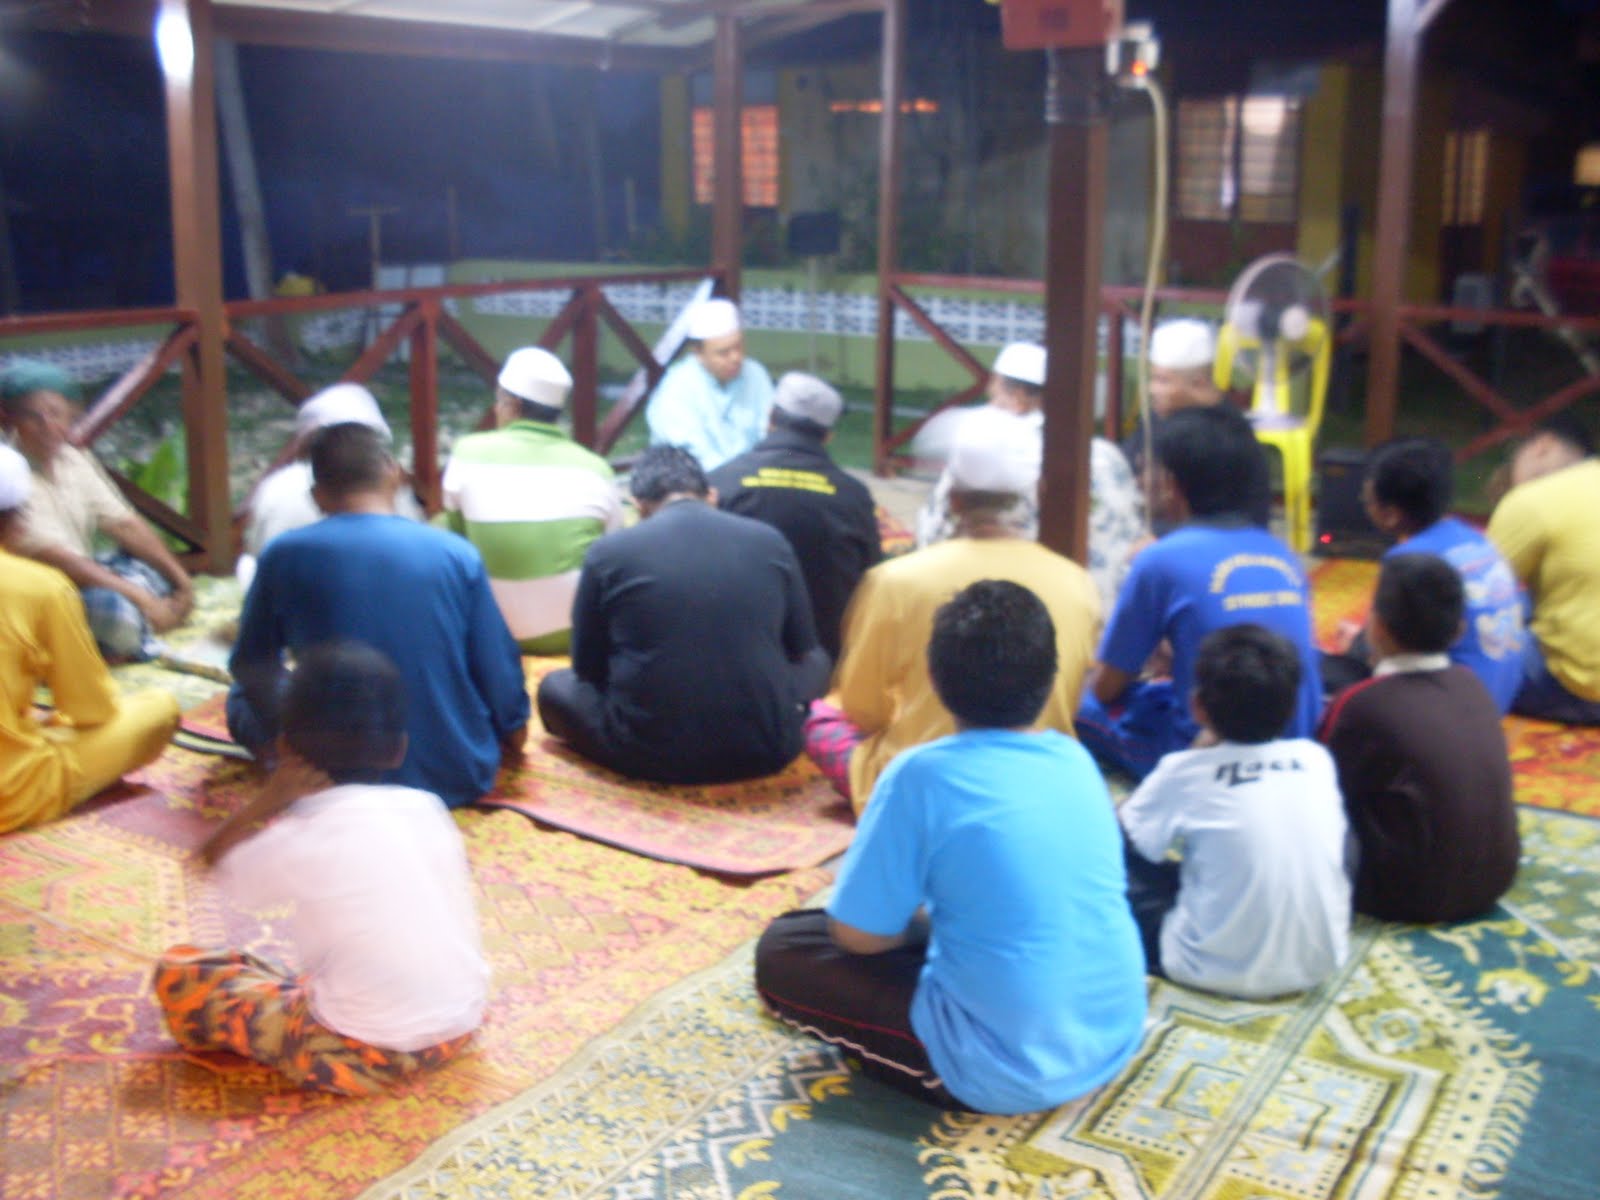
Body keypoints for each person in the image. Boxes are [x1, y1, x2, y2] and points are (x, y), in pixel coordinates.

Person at [756, 581, 1147, 1114]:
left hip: (1000, 1069)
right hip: (1113, 1031)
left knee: (785, 949)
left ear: (935, 680)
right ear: (1054, 676)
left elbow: (858, 938)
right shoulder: (1074, 759)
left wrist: (917, 922)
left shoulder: (920, 775)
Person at [154, 641, 488, 1096]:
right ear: (398, 750)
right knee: (316, 965)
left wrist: (268, 798)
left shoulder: (300, 839)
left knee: (184, 973)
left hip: (358, 1051)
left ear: (285, 748)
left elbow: (208, 862)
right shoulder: (426, 808)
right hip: (460, 1024)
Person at [810, 404, 1103, 811]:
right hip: (1038, 784)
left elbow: (862, 708)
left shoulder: (897, 580)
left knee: (823, 719)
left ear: (953, 499)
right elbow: (1073, 697)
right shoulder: (1076, 581)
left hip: (921, 789)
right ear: (1030, 494)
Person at [227, 423, 529, 808]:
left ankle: (288, 764)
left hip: (330, 775)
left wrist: (293, 744)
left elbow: (251, 664)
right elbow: (498, 668)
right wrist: (514, 730)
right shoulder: (455, 553)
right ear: (394, 473)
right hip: (455, 773)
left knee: (240, 695)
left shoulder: (283, 555)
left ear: (318, 497)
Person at [537, 445, 828, 785]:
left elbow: (586, 668)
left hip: (646, 753)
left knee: (554, 688)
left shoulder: (610, 552)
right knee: (819, 659)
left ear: (640, 507)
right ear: (712, 496)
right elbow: (802, 649)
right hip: (767, 748)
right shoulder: (770, 540)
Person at [1077, 404, 1320, 781]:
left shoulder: (1160, 559)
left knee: (1073, 696)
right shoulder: (1283, 555)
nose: (1142, 481)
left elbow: (1108, 687)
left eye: (1147, 469)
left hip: (1206, 753)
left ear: (1172, 484)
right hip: (1298, 743)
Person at [1120, 624, 1350, 999]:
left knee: (1109, 857)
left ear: (1198, 706)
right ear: (1291, 706)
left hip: (1202, 966)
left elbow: (1126, 838)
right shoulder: (1316, 760)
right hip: (1319, 963)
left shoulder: (1183, 770)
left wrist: (1198, 751)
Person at [1319, 555, 1519, 922]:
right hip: (1496, 878)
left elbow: (1322, 794)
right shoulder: (1471, 684)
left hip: (1406, 896)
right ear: (1459, 630)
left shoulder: (1361, 704)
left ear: (1375, 625)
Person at [0, 444, 179, 834]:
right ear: (17, 520)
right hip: (11, 789)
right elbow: (91, 710)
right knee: (159, 708)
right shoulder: (41, 587)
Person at [914, 341, 1144, 611]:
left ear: (1011, 392)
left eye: (996, 387)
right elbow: (1135, 542)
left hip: (1015, 622)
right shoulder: (1107, 456)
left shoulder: (986, 454)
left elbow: (930, 538)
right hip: (1102, 616)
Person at [0, 358, 194, 662]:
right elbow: (58, 559)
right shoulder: (7, 471)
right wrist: (145, 600)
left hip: (85, 580)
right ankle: (128, 634)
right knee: (113, 610)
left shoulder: (75, 459)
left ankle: (126, 636)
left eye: (57, 414)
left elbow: (125, 524)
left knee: (150, 572)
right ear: (7, 420)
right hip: (41, 596)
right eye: (34, 418)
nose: (49, 427)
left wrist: (182, 582)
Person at [439, 347, 623, 654]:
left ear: (511, 404)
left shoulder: (466, 454)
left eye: (498, 400)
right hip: (572, 633)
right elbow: (611, 552)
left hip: (491, 631)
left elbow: (459, 543)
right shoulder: (596, 469)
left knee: (441, 527)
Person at [1320, 437, 1525, 710]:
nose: (1365, 505)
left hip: (1453, 706)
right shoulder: (1476, 538)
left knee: (1317, 672)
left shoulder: (1409, 561)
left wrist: (1357, 644)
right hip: (1498, 695)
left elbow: (1386, 650)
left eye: (1367, 500)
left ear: (1390, 515)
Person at [708, 372, 881, 660]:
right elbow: (871, 577)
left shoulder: (721, 483)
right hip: (824, 657)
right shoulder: (853, 496)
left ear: (770, 418)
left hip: (734, 655)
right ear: (828, 435)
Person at [237, 381, 423, 591]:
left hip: (294, 599)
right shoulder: (390, 485)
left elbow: (256, 551)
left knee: (247, 566)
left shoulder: (278, 486)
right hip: (388, 592)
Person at [1486, 413, 1600, 724]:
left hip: (1580, 691)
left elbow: (1471, 598)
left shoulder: (1531, 499)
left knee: (1454, 637)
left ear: (1542, 445)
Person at [645, 297, 775, 471]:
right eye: (724, 353)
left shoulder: (755, 374)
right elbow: (693, 456)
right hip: (694, 484)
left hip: (752, 481)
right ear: (698, 353)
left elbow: (770, 435)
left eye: (738, 347)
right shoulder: (677, 389)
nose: (735, 358)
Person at [1121, 317, 1222, 479]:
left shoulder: (1212, 436)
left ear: (1199, 385)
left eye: (1163, 381)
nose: (1152, 389)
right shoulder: (1162, 416)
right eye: (1153, 379)